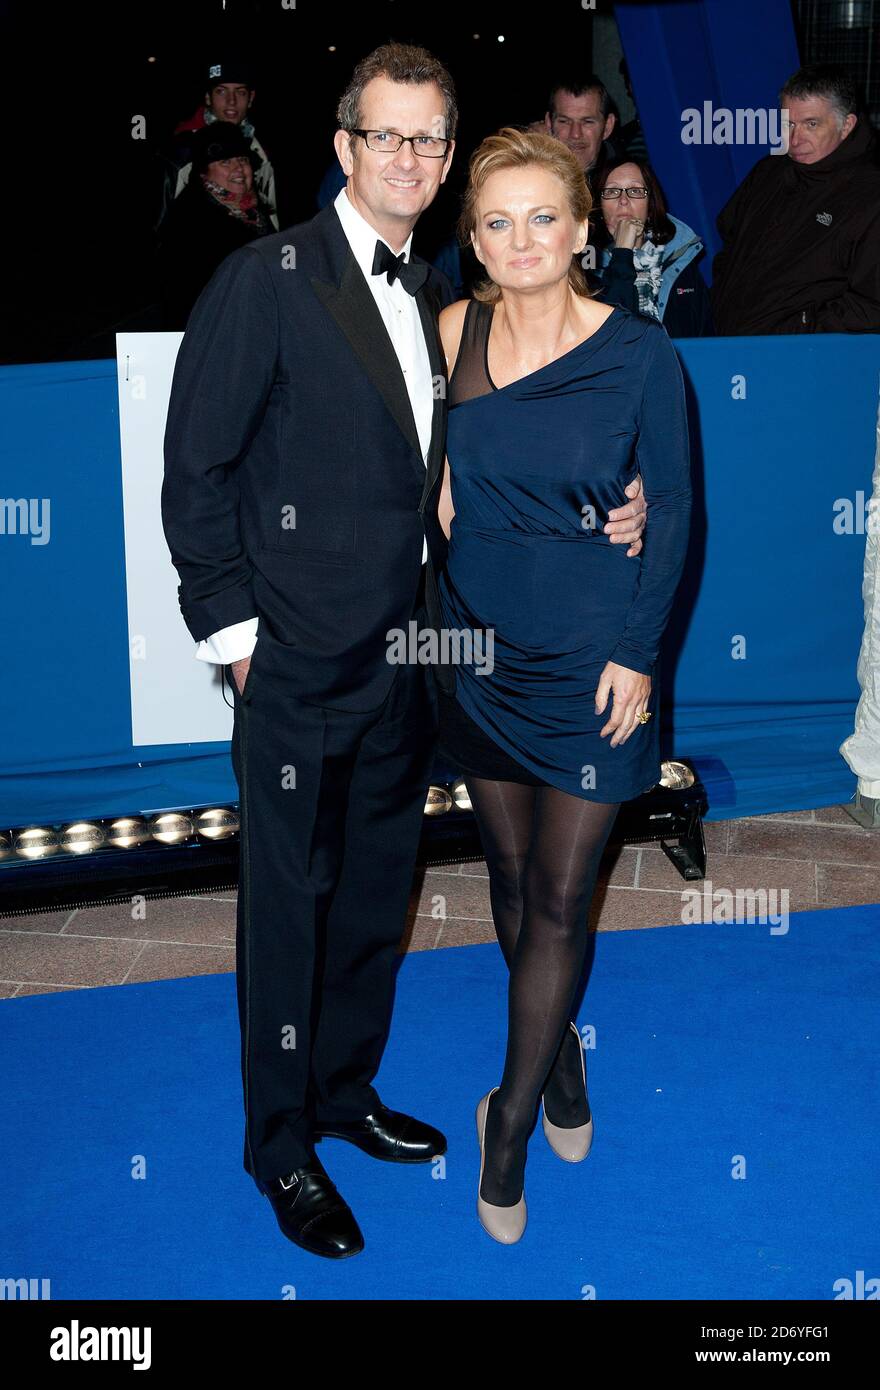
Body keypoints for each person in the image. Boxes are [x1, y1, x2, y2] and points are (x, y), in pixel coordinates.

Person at [162, 42, 648, 1262]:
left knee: (376, 900)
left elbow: (486, 465)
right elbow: (196, 471)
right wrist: (236, 644)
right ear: (342, 147)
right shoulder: (262, 278)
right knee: (291, 912)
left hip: (411, 665)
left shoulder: (443, 288)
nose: (415, 157)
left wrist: (619, 501)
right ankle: (280, 1141)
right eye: (390, 135)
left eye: (433, 137)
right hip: (294, 669)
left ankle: (341, 1090)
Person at [433, 127, 692, 1243]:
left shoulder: (639, 355)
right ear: (476, 241)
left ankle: (509, 1118)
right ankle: (565, 1067)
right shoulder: (453, 329)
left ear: (583, 229)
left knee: (557, 891)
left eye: (544, 216)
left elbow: (673, 513)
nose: (521, 238)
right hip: (476, 649)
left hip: (595, 662)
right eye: (497, 220)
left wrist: (637, 652)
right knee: (503, 872)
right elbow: (430, 480)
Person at [711, 63, 880, 334]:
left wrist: (801, 330)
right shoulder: (769, 171)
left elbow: (871, 305)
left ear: (846, 125)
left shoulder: (869, 195)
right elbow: (729, 241)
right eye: (787, 124)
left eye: (811, 124)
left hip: (806, 362)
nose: (794, 138)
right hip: (734, 349)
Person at [155, 123, 273, 330]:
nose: (238, 168)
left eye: (242, 160)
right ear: (204, 172)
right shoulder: (189, 220)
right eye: (225, 162)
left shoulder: (253, 211)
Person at [155, 55, 278, 234]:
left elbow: (272, 215)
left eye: (240, 92)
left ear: (251, 98)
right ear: (207, 97)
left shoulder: (261, 151)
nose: (231, 101)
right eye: (221, 91)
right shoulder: (179, 153)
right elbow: (159, 228)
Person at [593, 158, 713, 336]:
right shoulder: (587, 268)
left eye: (635, 190)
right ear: (600, 207)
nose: (624, 200)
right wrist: (622, 253)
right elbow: (612, 337)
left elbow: (706, 339)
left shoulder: (680, 261)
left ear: (650, 206)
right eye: (611, 191)